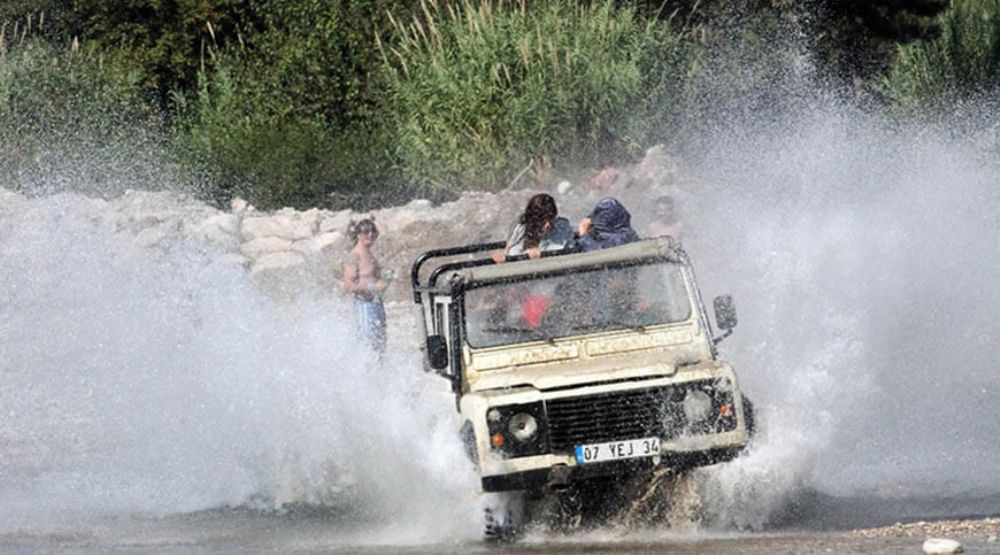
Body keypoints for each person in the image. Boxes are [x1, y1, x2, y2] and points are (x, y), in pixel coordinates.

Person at [342, 218, 391, 355]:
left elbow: (375, 279)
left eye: (372, 231)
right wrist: (372, 287)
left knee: (380, 345)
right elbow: (348, 285)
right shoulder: (354, 256)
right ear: (358, 235)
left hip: (376, 303)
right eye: (365, 232)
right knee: (367, 345)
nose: (370, 235)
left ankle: (379, 375)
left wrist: (386, 279)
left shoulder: (370, 254)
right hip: (364, 305)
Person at [492, 193, 575, 263]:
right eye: (542, 221)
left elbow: (556, 251)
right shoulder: (521, 228)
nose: (547, 225)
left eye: (551, 219)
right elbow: (511, 252)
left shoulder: (562, 225)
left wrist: (536, 253)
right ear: (533, 219)